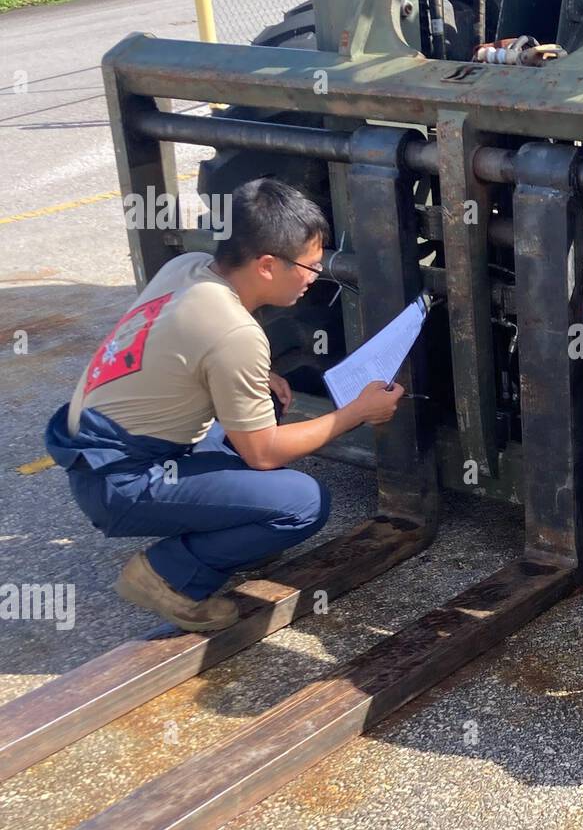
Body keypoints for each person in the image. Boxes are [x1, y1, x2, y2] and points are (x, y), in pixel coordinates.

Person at [45, 178, 404, 633]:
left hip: (102, 445)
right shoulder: (234, 334)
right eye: (309, 266)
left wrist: (257, 374)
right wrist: (355, 413)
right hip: (119, 479)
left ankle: (239, 531)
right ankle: (169, 574)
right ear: (268, 265)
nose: (316, 278)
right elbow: (264, 453)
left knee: (265, 406)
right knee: (303, 503)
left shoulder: (190, 267)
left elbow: (180, 345)